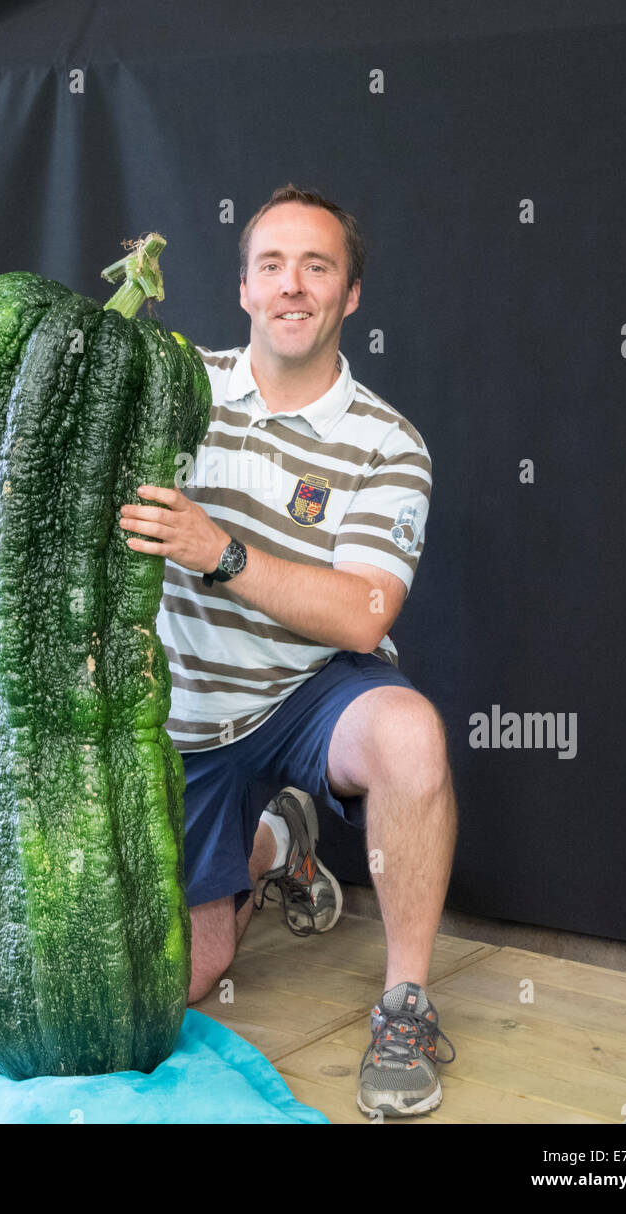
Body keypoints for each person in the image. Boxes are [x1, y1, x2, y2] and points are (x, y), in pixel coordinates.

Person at [117, 184, 459, 1119]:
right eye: (271, 266)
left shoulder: (388, 443)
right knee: (188, 976)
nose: (292, 286)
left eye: (318, 266)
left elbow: (361, 613)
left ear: (349, 296)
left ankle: (406, 1004)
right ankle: (278, 841)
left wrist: (217, 551)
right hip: (181, 711)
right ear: (243, 290)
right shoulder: (173, 387)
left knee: (408, 736)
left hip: (310, 692)